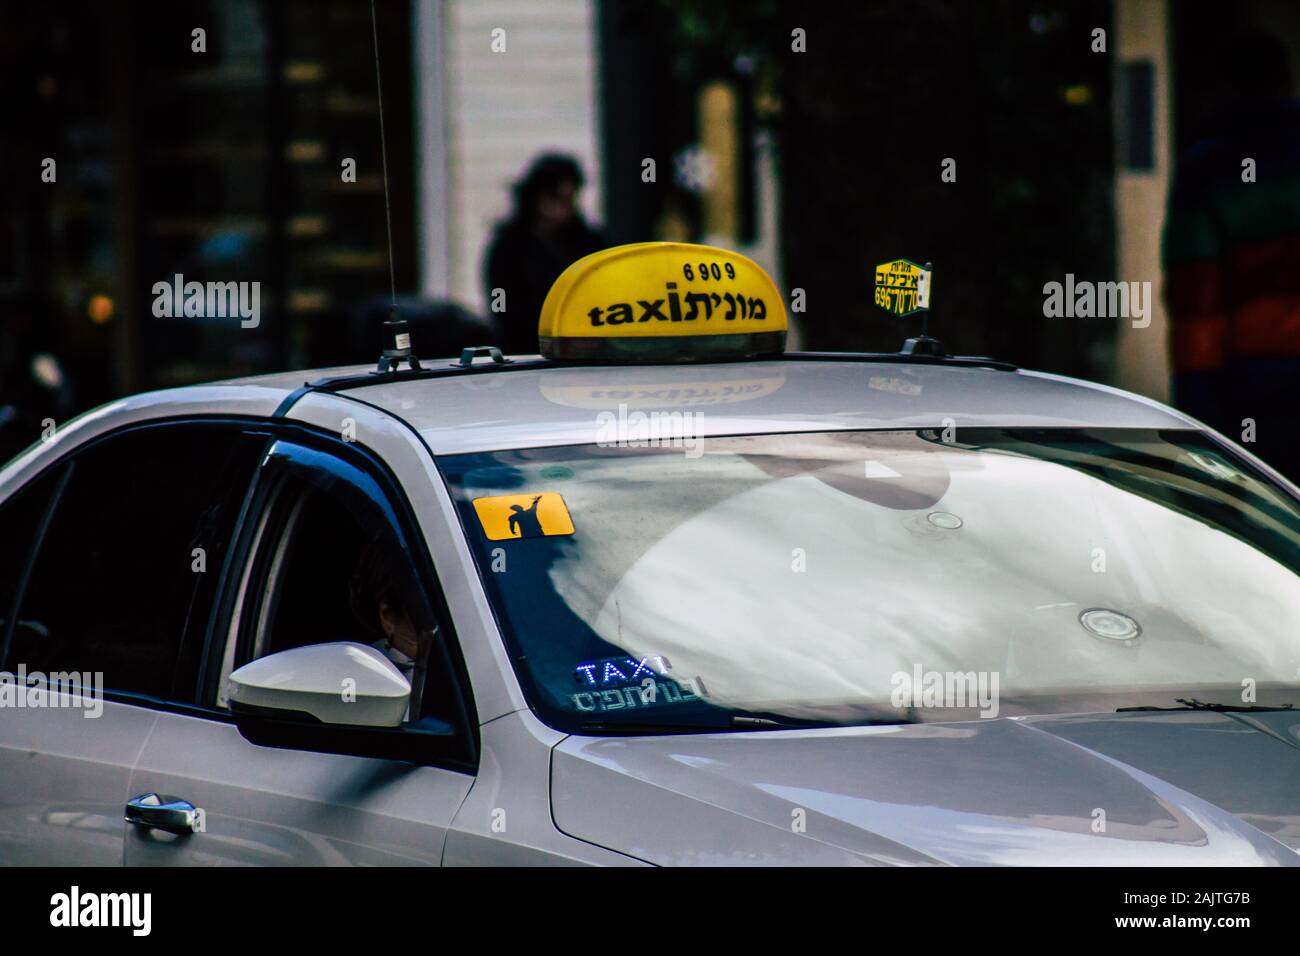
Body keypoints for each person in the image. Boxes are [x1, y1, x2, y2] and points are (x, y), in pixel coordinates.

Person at [1162, 29, 1300, 483]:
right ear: (1286, 81)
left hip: (1255, 392)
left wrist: (1199, 421)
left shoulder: (1208, 169)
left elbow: (1196, 301)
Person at [483, 154, 608, 354]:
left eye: (569, 199)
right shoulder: (510, 247)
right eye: (555, 198)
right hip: (526, 350)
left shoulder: (589, 241)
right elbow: (505, 312)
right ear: (536, 197)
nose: (562, 209)